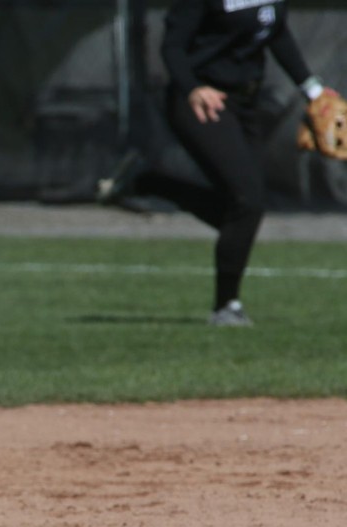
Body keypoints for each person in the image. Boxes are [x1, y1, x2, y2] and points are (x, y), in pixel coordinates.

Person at [98, 0, 332, 326]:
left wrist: (312, 89)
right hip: (202, 101)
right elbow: (172, 47)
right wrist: (193, 88)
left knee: (243, 209)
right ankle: (226, 307)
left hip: (246, 103)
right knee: (247, 202)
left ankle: (147, 182)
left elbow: (275, 32)